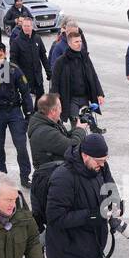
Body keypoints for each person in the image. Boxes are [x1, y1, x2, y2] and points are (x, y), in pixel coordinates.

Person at [27, 93, 87, 230]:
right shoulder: (45, 132)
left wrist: (77, 129)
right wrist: (80, 131)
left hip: (54, 175)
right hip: (49, 181)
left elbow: (64, 139)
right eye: (60, 107)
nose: (62, 109)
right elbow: (72, 147)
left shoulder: (49, 123)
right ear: (53, 110)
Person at [0, 43, 34, 188]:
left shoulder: (14, 69)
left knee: (21, 145)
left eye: (0, 55)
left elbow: (25, 92)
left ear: (5, 53)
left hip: (14, 111)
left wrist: (29, 113)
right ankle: (2, 178)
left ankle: (25, 176)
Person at [51, 30, 105, 124]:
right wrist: (55, 99)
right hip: (71, 99)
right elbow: (55, 82)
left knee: (86, 123)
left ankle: (85, 137)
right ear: (69, 43)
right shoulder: (61, 61)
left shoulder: (85, 57)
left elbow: (93, 75)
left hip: (85, 97)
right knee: (76, 125)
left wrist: (100, 93)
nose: (79, 44)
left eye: (80, 41)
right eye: (76, 42)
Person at [10, 17, 51, 110]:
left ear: (32, 26)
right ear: (22, 26)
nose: (26, 28)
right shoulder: (16, 42)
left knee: (40, 95)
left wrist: (49, 71)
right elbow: (13, 61)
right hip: (25, 76)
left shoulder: (37, 39)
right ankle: (28, 115)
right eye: (24, 26)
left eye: (28, 26)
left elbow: (43, 57)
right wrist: (16, 76)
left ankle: (37, 114)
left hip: (37, 75)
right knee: (26, 98)